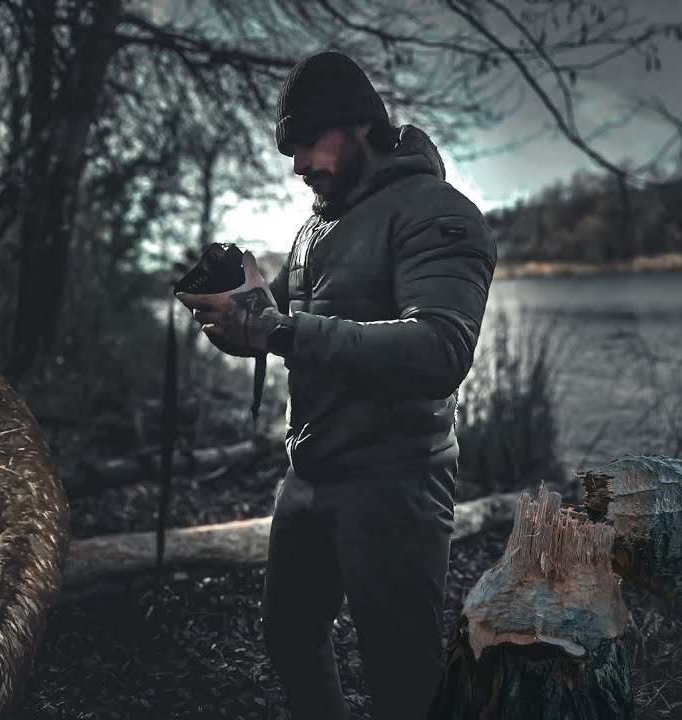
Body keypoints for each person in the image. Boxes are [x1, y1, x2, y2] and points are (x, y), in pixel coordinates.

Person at [174, 50, 497, 720]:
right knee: (288, 636)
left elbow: (440, 348)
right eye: (290, 148)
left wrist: (280, 330)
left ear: (361, 127)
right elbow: (286, 327)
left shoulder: (438, 212)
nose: (296, 164)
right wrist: (240, 310)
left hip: (397, 481)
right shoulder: (315, 225)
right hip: (311, 471)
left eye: (308, 142)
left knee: (402, 681)